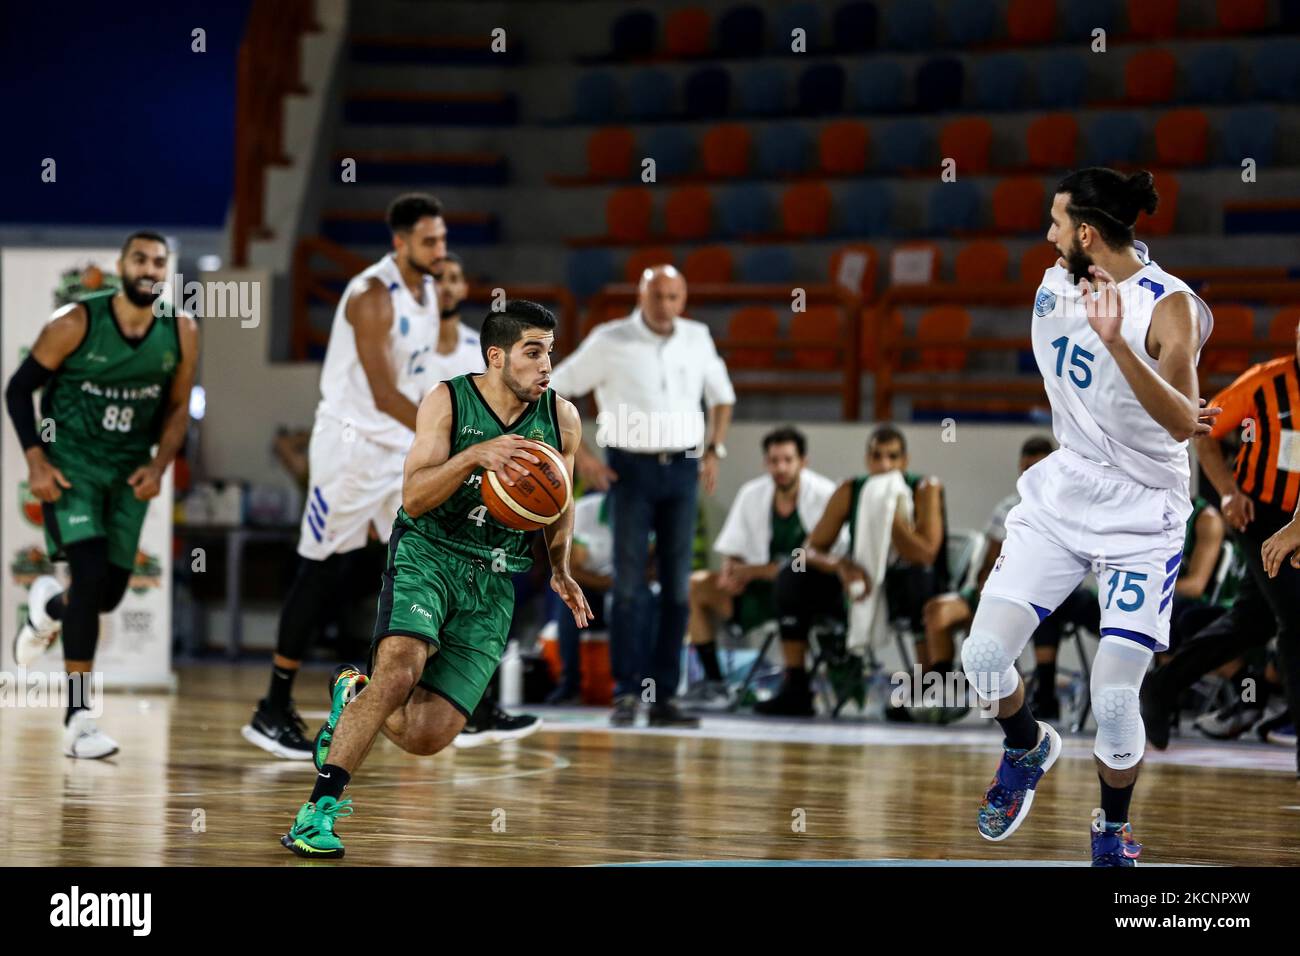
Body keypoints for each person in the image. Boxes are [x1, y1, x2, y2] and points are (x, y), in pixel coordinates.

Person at [961, 167, 1217, 866]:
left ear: (1088, 234)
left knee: (1110, 695)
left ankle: (1112, 831)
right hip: (1067, 486)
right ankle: (1026, 745)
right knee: (980, 657)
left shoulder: (1171, 310)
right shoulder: (1056, 281)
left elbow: (1175, 425)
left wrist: (1114, 344)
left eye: (1055, 222)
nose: (1046, 235)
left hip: (1143, 509)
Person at [281, 299, 592, 859]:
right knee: (400, 671)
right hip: (428, 552)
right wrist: (475, 456)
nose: (547, 365)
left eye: (551, 352)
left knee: (427, 736)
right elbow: (415, 497)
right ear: (497, 357)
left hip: (493, 574)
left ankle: (353, 694)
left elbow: (559, 503)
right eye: (534, 352)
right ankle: (316, 812)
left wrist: (562, 567)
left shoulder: (562, 418)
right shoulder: (447, 401)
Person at [243, 194, 446, 759]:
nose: (441, 250)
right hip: (351, 452)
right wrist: (454, 437)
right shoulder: (371, 296)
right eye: (430, 241)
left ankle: (422, 688)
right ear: (400, 243)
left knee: (413, 558)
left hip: (395, 449)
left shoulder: (427, 291)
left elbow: (418, 376)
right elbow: (383, 394)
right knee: (319, 569)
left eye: (443, 239)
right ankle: (273, 705)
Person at [7, 231, 199, 758]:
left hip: (130, 474)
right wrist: (36, 460)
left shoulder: (180, 330)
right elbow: (19, 389)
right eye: (140, 258)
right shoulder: (75, 321)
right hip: (73, 471)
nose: (149, 268)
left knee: (107, 594)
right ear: (120, 265)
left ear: (166, 272)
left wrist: (161, 465)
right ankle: (78, 717)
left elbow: (179, 408)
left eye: (159, 262)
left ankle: (48, 606)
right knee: (90, 579)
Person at [549, 265, 735, 728]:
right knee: (629, 587)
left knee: (676, 589)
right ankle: (628, 692)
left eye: (674, 296)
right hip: (629, 469)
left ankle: (665, 697)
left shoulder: (697, 336)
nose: (666, 306)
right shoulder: (610, 339)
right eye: (658, 297)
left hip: (684, 469)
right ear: (642, 295)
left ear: (683, 297)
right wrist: (581, 456)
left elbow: (723, 396)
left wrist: (715, 448)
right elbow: (555, 391)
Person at [1142, 315, 1300, 776]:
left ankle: (1165, 685)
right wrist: (1229, 491)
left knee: (1252, 623)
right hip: (1259, 514)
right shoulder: (1265, 382)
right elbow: (1202, 429)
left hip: (1297, 519)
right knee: (1296, 617)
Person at [756, 425, 945, 716]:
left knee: (919, 577)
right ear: (867, 459)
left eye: (892, 457)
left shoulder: (924, 487)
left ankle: (925, 688)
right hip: (862, 582)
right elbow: (809, 549)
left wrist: (889, 516)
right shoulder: (850, 489)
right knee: (790, 575)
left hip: (907, 587)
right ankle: (796, 688)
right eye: (877, 457)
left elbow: (925, 554)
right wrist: (841, 566)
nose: (884, 465)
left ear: (904, 460)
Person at [683, 426, 838, 711]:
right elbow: (733, 549)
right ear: (765, 462)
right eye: (774, 460)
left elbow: (811, 561)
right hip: (760, 594)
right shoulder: (752, 493)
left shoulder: (826, 494)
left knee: (792, 579)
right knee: (696, 584)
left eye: (787, 460)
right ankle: (715, 685)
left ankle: (796, 686)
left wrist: (752, 571)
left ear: (803, 461)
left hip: (807, 597)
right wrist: (731, 572)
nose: (780, 467)